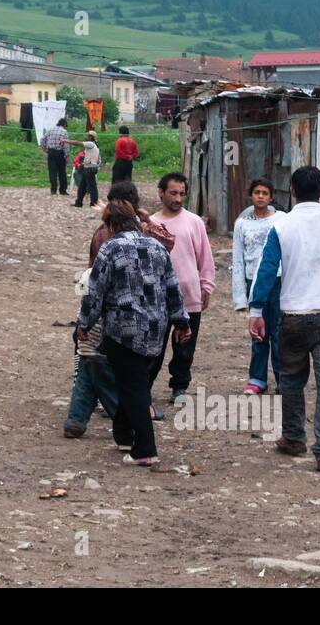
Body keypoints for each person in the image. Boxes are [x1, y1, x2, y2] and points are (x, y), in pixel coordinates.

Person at [249, 165, 320, 472]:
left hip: (293, 316)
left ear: (292, 191)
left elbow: (266, 271)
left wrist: (256, 310)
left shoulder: (281, 227)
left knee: (292, 380)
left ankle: (294, 437)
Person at [78, 197, 191, 466]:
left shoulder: (110, 249)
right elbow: (173, 287)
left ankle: (145, 449)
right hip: (155, 327)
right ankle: (124, 435)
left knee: (132, 386)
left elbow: (94, 292)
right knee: (133, 380)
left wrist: (84, 323)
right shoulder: (157, 247)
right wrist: (182, 322)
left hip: (122, 330)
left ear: (110, 223)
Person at [64, 181, 176, 439]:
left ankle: (76, 418)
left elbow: (92, 281)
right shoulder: (138, 238)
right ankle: (127, 420)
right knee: (107, 370)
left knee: (89, 363)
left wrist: (84, 320)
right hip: (120, 316)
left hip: (103, 312)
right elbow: (169, 245)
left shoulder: (102, 234)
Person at [148, 173, 215, 406]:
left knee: (185, 346)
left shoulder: (194, 222)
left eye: (181, 194)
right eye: (173, 193)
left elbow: (205, 257)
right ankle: (144, 387)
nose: (178, 198)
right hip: (157, 297)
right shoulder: (150, 223)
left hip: (189, 293)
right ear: (161, 192)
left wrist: (206, 285)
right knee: (153, 347)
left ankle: (179, 386)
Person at [232, 178, 286, 395]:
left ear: (271, 197)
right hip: (253, 282)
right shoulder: (242, 224)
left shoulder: (282, 220)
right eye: (257, 192)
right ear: (251, 196)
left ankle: (284, 380)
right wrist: (240, 298)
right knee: (259, 332)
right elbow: (237, 259)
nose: (261, 196)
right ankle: (257, 379)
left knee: (280, 333)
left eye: (265, 192)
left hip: (279, 281)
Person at [67, 130, 102, 208]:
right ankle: (79, 202)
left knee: (92, 187)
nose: (85, 136)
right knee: (83, 186)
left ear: (90, 137)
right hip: (89, 168)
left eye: (87, 135)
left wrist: (66, 141)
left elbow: (77, 143)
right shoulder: (92, 145)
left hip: (90, 168)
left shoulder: (90, 144)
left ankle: (93, 203)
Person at [41, 117, 70, 195]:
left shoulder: (50, 130)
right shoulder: (64, 132)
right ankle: (62, 190)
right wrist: (67, 155)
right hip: (60, 153)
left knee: (52, 172)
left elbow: (42, 139)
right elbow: (66, 144)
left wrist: (45, 149)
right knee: (62, 172)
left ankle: (53, 190)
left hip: (51, 152)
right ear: (64, 124)